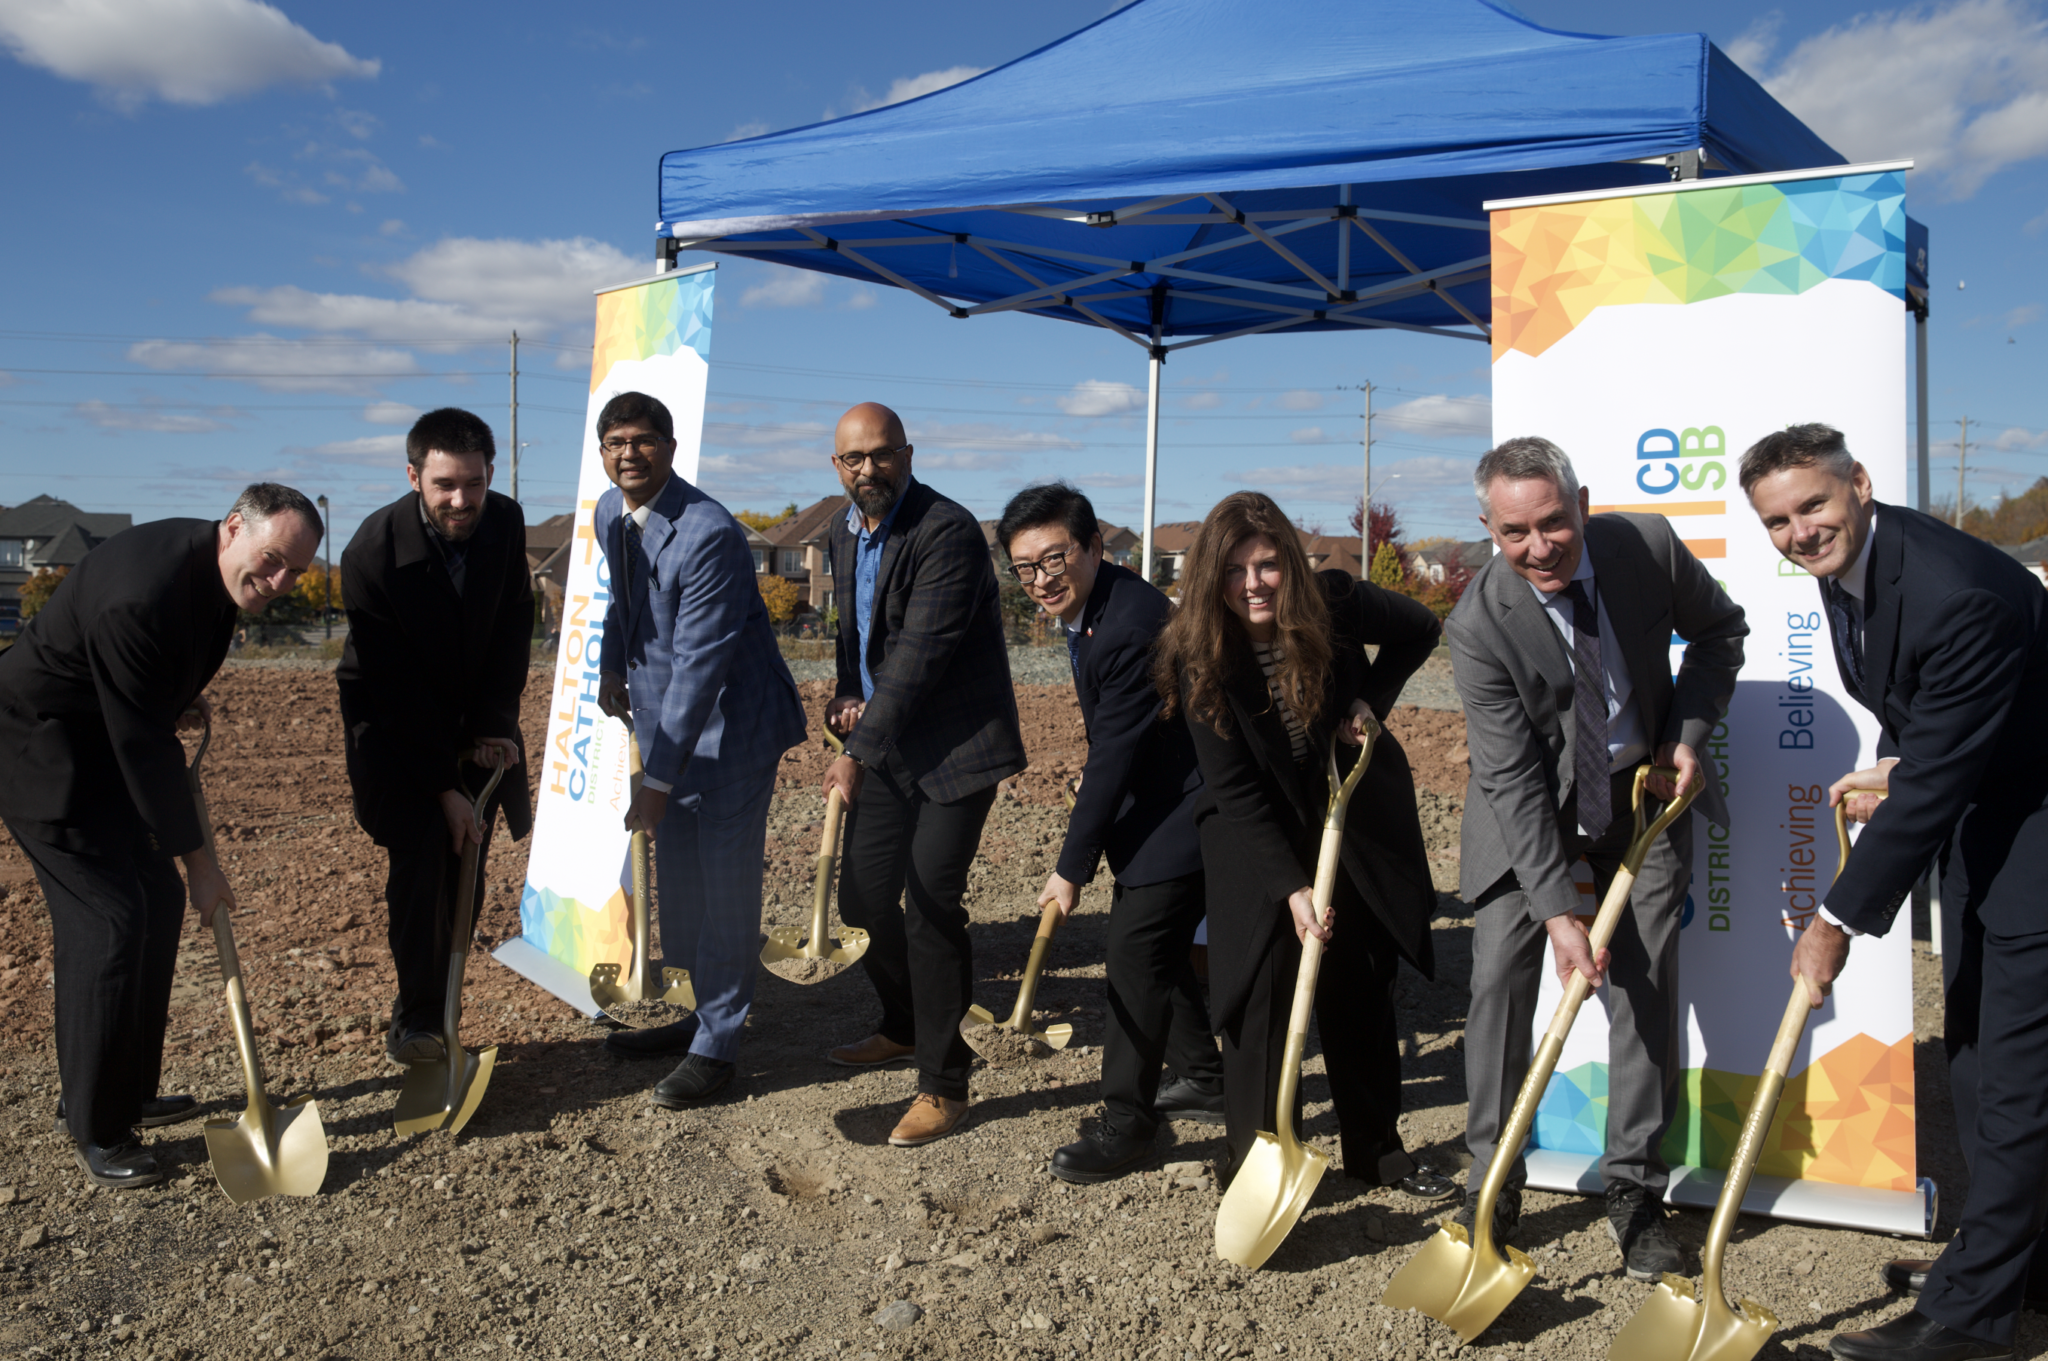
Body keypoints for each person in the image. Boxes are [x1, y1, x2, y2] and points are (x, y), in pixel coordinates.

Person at [1742, 424, 2048, 1361]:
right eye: (1778, 520)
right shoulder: (1859, 572)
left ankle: (1975, 1316)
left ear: (1860, 485)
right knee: (1975, 1058)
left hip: (2037, 835)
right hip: (1988, 817)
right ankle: (2014, 1262)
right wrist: (1905, 763)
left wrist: (1835, 919)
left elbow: (1947, 761)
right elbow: (1944, 724)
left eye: (1815, 505)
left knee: (2016, 1076)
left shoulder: (1960, 592)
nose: (1800, 531)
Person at [1446, 436, 1746, 1280]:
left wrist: (1687, 736)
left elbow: (1722, 633)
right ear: (1487, 528)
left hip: (1639, 794)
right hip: (1527, 808)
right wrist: (1558, 913)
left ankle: (1635, 1188)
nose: (1538, 548)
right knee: (1501, 974)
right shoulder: (1477, 624)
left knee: (1644, 988)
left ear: (1583, 504)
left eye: (1553, 524)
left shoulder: (1644, 545)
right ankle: (1494, 1177)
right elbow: (1507, 775)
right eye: (1514, 533)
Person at [0, 484, 321, 1188]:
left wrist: (171, 690)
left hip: (102, 744)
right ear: (234, 526)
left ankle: (127, 1088)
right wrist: (200, 863)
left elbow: (146, 691)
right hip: (42, 756)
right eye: (271, 561)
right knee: (109, 921)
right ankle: (96, 1125)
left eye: (295, 572)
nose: (279, 583)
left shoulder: (208, 567)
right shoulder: (140, 594)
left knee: (157, 902)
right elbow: (145, 744)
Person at [1152, 490, 1450, 1195]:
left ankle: (1376, 1149)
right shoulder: (1200, 657)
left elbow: (1419, 628)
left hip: (1345, 819)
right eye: (1233, 570)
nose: (1252, 584)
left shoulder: (1337, 604)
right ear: (1210, 579)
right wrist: (1291, 889)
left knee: (1360, 984)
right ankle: (1254, 1163)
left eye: (1266, 565)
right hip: (1254, 837)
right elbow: (1236, 792)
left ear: (1289, 561)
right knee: (1260, 996)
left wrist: (1367, 698)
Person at [995, 482, 1227, 1184]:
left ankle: (1127, 1123)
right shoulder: (1104, 605)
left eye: (1054, 558)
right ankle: (1204, 1077)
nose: (1040, 579)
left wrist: (1071, 866)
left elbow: (1113, 757)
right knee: (1155, 950)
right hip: (1160, 800)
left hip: (1187, 812)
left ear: (1095, 547)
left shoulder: (1129, 628)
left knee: (1132, 957)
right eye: (1025, 567)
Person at [822, 401, 1027, 1147]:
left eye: (882, 454)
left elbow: (913, 662)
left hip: (957, 748)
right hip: (888, 745)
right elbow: (858, 639)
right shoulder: (842, 533)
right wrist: (847, 692)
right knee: (864, 897)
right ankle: (906, 1024)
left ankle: (946, 1082)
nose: (868, 469)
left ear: (908, 453)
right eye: (854, 458)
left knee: (930, 903)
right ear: (835, 466)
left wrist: (855, 748)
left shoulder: (947, 532)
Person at [591, 392, 806, 1101]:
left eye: (644, 439)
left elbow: (700, 664)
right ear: (602, 452)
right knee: (679, 882)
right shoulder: (607, 515)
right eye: (616, 440)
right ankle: (694, 1013)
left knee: (723, 885)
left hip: (732, 731)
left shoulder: (709, 531)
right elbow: (624, 600)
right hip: (668, 728)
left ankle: (718, 1044)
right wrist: (611, 664)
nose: (630, 452)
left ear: (671, 448)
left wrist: (655, 780)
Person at [337, 408, 535, 1068]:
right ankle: (417, 1020)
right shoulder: (372, 554)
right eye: (445, 484)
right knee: (422, 855)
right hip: (392, 722)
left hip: (472, 710)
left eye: (473, 484)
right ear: (414, 475)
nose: (461, 500)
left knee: (467, 866)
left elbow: (513, 623)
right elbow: (393, 684)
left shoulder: (504, 521)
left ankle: (449, 1007)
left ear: (490, 475)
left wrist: (490, 726)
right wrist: (442, 784)